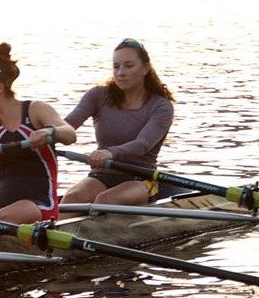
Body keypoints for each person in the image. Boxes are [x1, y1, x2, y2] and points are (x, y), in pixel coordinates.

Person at [0, 43, 77, 223]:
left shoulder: (36, 110)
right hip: (1, 198)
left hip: (39, 202)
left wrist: (48, 132)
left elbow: (69, 133)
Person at [61, 37, 177, 207]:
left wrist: (110, 153)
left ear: (145, 68)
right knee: (72, 199)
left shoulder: (161, 107)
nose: (120, 72)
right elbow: (68, 125)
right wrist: (48, 132)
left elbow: (142, 144)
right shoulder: (98, 95)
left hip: (141, 179)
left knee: (105, 200)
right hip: (102, 175)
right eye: (116, 66)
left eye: (128, 66)